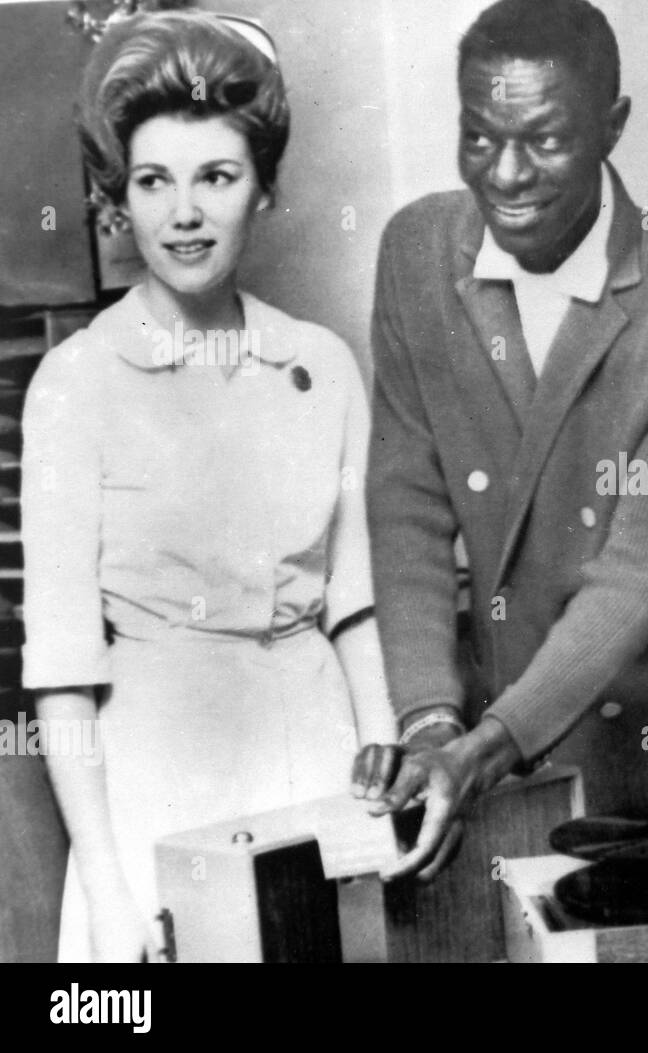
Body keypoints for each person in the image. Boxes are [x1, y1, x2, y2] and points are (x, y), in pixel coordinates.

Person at [353, 0, 648, 878]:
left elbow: (635, 574)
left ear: (612, 126)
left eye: (545, 141)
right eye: (479, 137)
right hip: (508, 758)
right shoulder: (413, 253)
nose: (505, 174)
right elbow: (407, 504)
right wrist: (432, 718)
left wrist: (482, 749)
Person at [22, 11, 394, 962]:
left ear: (263, 189)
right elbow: (63, 675)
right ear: (119, 197)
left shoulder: (322, 365)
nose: (183, 212)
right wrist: (107, 886)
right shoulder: (75, 386)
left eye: (216, 177)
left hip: (320, 762)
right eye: (154, 181)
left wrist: (383, 779)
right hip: (157, 784)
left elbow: (355, 609)